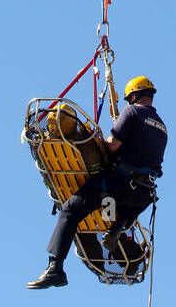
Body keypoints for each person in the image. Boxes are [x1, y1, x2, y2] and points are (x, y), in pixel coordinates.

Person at [27, 75, 167, 289]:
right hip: (143, 194)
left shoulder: (132, 112)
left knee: (70, 210)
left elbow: (111, 146)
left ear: (134, 96)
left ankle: (55, 268)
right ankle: (119, 226)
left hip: (119, 184)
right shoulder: (163, 128)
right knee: (122, 210)